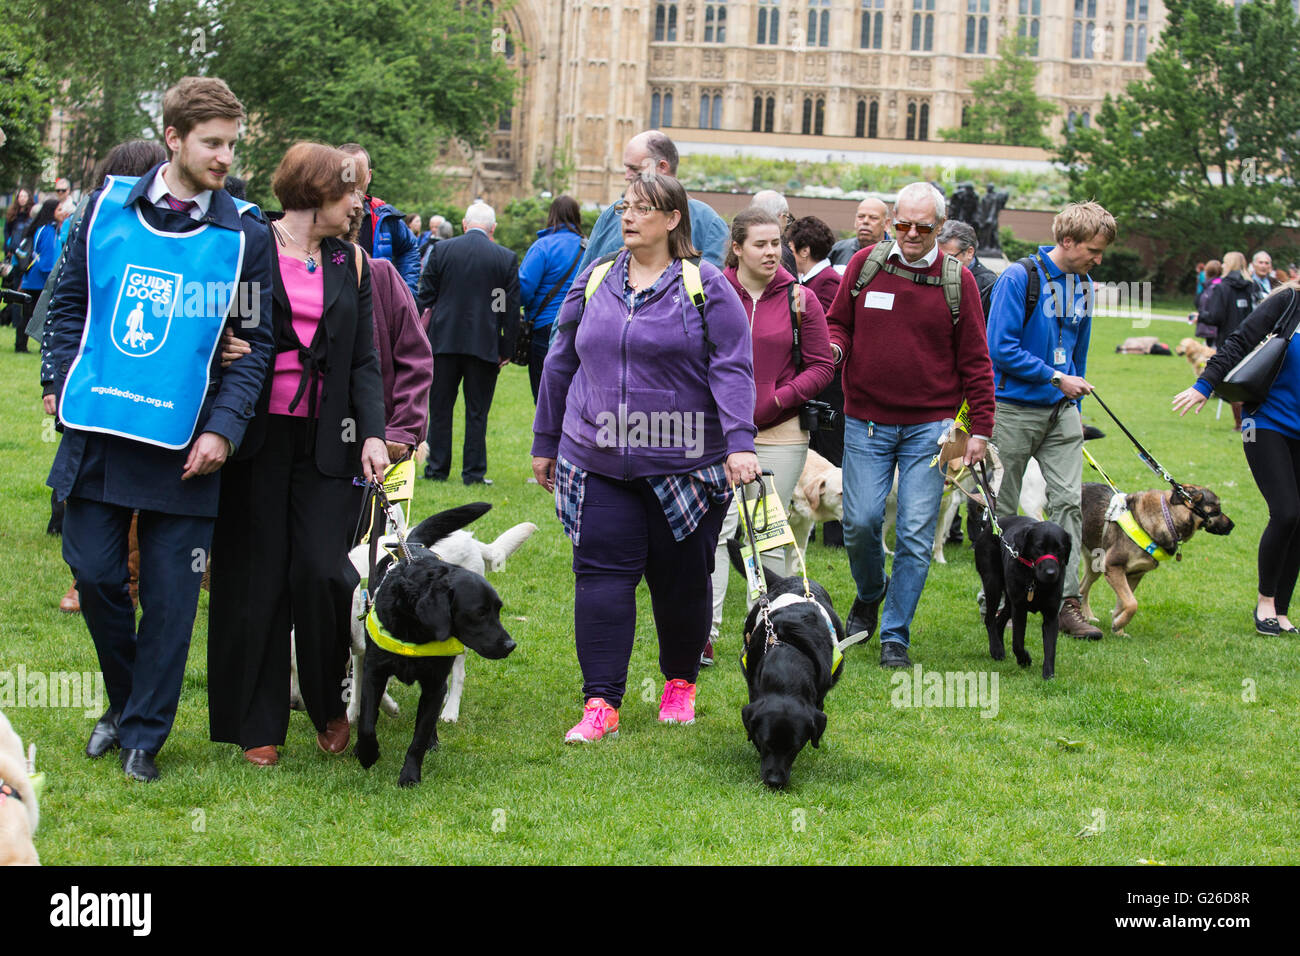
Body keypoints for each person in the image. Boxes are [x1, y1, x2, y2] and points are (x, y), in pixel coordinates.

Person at [46, 76, 275, 782]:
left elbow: (255, 340)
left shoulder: (244, 234)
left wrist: (224, 429)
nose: (225, 157)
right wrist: (56, 383)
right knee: (94, 573)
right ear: (172, 139)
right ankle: (123, 703)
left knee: (174, 599)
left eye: (232, 145)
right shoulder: (103, 211)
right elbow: (67, 306)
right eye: (212, 143)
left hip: (188, 443)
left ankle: (144, 735)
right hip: (101, 428)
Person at [532, 172, 758, 742]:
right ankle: (600, 702)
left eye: (643, 209)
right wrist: (546, 441)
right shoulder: (598, 276)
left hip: (683, 464)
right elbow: (561, 359)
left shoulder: (704, 283)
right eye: (625, 207)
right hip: (597, 456)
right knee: (600, 578)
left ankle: (679, 683)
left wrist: (740, 442)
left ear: (673, 219)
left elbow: (731, 365)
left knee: (681, 583)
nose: (628, 217)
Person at [207, 142, 388, 768]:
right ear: (316, 193)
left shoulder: (352, 263)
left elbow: (364, 358)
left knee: (323, 573)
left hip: (327, 443)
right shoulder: (251, 246)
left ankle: (328, 702)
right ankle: (257, 721)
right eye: (350, 194)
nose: (359, 204)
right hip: (255, 438)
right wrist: (222, 344)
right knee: (257, 578)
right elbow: (221, 323)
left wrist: (372, 432)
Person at [825, 182, 995, 667]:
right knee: (859, 523)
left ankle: (894, 634)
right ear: (892, 221)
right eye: (903, 224)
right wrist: (836, 348)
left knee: (917, 533)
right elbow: (840, 322)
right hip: (866, 422)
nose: (913, 234)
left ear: (941, 227)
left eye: (924, 226)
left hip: (930, 427)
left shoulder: (956, 280)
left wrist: (978, 429)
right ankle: (871, 591)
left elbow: (977, 361)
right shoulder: (865, 265)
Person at [985, 200, 1118, 642]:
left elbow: (1078, 353)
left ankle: (1065, 603)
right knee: (1002, 511)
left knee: (1068, 504)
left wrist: (1074, 409)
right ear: (1067, 241)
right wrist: (1055, 376)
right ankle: (1001, 593)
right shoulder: (1018, 278)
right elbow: (999, 348)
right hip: (1014, 409)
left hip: (1061, 413)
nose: (1099, 260)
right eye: (1094, 251)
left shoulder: (1084, 285)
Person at [707, 208, 834, 662]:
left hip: (781, 433)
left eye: (776, 243)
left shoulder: (801, 298)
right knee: (716, 532)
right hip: (718, 433)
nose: (771, 252)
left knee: (768, 532)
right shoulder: (711, 291)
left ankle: (767, 626)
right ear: (737, 248)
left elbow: (823, 364)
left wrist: (779, 398)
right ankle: (707, 629)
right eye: (759, 244)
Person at [1173, 280, 1300, 636]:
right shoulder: (1288, 303)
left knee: (1299, 519)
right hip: (1265, 422)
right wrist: (1204, 385)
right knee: (1287, 510)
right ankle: (1266, 602)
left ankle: (1283, 610)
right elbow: (1239, 342)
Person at [417, 200, 520, 485]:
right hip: (484, 344)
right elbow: (510, 310)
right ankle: (473, 473)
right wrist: (506, 349)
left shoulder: (442, 250)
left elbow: (426, 296)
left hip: (443, 342)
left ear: (464, 224)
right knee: (477, 412)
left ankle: (436, 468)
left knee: (440, 408)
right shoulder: (505, 258)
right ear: (493, 229)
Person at [578, 130, 728, 270]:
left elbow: (714, 291)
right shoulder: (612, 214)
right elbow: (582, 285)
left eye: (635, 170)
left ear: (662, 167)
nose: (627, 176)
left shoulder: (707, 223)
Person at [787, 214, 846, 547]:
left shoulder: (826, 285)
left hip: (829, 389)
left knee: (831, 456)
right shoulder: (811, 282)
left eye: (790, 248)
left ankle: (836, 535)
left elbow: (817, 337)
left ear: (804, 250)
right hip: (816, 387)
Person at [519, 195, 585, 402]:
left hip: (545, 327)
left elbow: (523, 288)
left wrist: (524, 308)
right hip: (582, 325)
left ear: (552, 215)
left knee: (543, 394)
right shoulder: (588, 247)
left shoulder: (543, 246)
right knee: (574, 391)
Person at [337, 143, 421, 297]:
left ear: (369, 176)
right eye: (348, 171)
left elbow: (409, 249)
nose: (353, 178)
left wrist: (406, 293)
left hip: (376, 306)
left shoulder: (383, 216)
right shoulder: (323, 215)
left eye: (358, 171)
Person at [1203, 251, 1256, 430]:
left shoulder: (1222, 287)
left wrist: (1201, 316)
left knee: (1232, 384)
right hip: (1252, 340)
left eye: (1225, 263)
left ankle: (1240, 424)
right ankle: (1250, 422)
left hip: (1230, 341)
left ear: (1229, 265)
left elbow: (1216, 317)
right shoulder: (1251, 286)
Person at [15, 198, 59, 352]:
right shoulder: (48, 231)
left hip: (31, 277)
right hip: (40, 280)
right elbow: (46, 260)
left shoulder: (39, 228)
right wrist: (53, 277)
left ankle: (20, 344)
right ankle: (39, 346)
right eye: (59, 210)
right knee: (43, 314)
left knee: (27, 314)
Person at [937, 219, 997, 319]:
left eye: (949, 258)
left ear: (969, 252)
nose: (940, 263)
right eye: (937, 256)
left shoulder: (987, 284)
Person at [829, 197, 888, 269]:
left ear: (886, 223)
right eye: (861, 217)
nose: (865, 221)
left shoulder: (895, 255)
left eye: (873, 218)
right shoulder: (838, 250)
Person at [750, 188, 798, 275]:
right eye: (787, 218)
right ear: (781, 216)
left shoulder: (742, 244)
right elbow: (792, 287)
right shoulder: (783, 254)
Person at [1194, 259, 1223, 346]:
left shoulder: (1214, 288)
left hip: (1212, 328)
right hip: (1212, 326)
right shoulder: (1218, 286)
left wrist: (1200, 317)